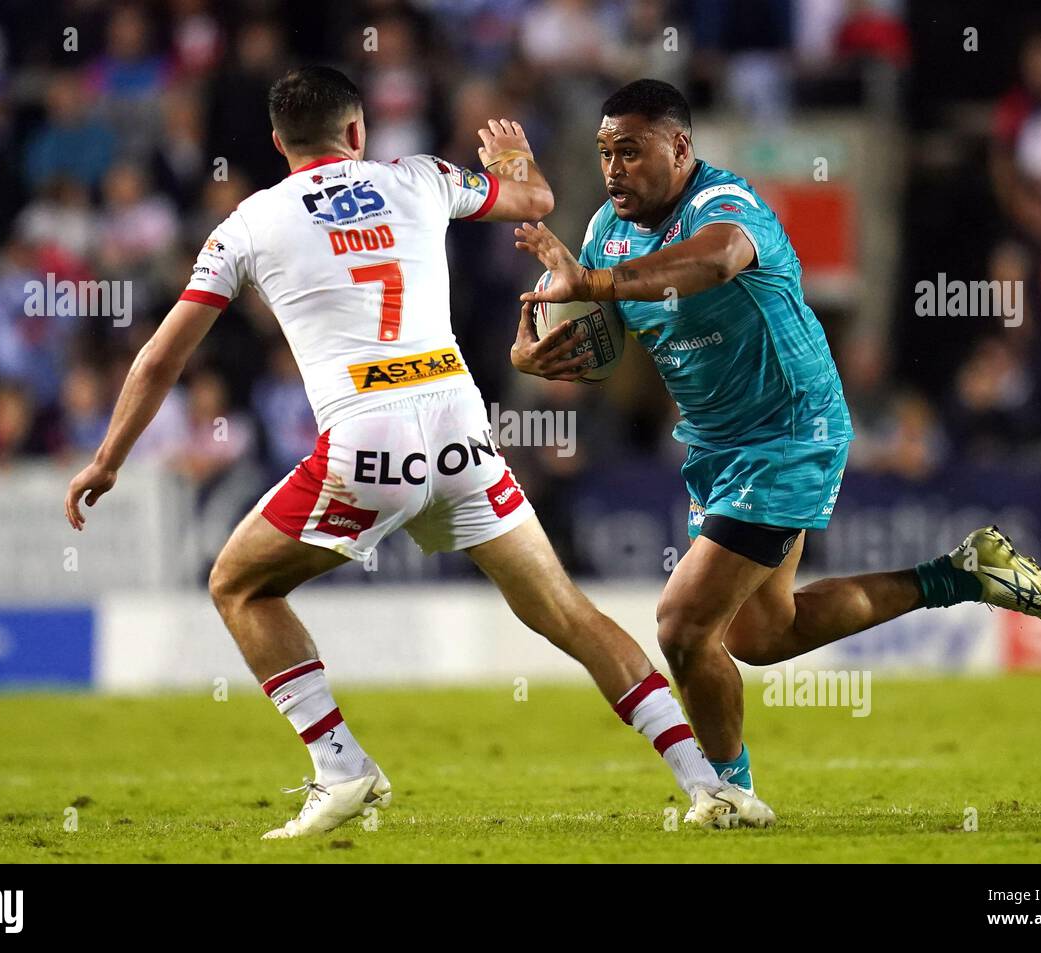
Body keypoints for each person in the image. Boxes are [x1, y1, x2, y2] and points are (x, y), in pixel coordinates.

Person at [64, 67, 769, 839]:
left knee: (238, 585)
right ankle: (709, 784)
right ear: (359, 132)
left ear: (278, 143)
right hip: (461, 425)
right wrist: (514, 166)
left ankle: (342, 767)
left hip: (367, 439)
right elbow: (535, 203)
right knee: (568, 612)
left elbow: (161, 358)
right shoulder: (420, 177)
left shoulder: (247, 223)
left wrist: (108, 458)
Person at [512, 78, 1041, 818]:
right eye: (605, 152)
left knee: (682, 625)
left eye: (632, 151)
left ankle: (730, 791)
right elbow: (599, 335)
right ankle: (962, 575)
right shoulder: (605, 232)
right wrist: (538, 356)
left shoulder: (725, 205)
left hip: (789, 431)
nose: (614, 168)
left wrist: (596, 281)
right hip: (713, 444)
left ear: (680, 148)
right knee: (763, 633)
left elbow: (712, 263)